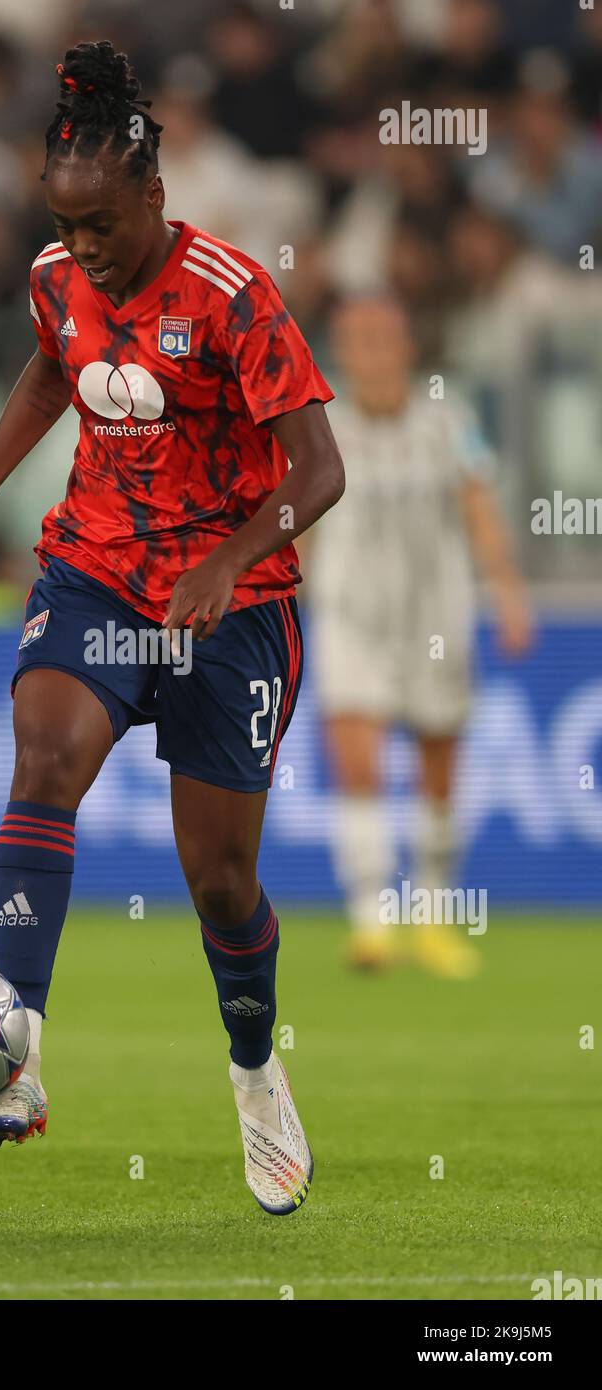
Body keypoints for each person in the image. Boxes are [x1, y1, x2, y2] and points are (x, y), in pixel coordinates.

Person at [0, 40, 344, 1216]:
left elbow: (319, 467)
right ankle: (16, 1051)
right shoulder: (58, 278)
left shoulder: (232, 294)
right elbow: (51, 376)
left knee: (218, 884)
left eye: (103, 224)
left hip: (230, 610)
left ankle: (256, 1069)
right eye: (68, 225)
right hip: (96, 576)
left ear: (152, 195)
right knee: (45, 761)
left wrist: (224, 562)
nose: (86, 248)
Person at [307, 294, 532, 976]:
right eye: (358, 339)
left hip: (437, 615)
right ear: (342, 352)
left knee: (438, 767)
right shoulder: (321, 430)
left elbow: (477, 504)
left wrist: (509, 592)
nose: (372, 352)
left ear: (407, 347)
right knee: (357, 763)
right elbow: (300, 522)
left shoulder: (447, 421)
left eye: (384, 337)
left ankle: (433, 916)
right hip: (350, 614)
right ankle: (372, 923)